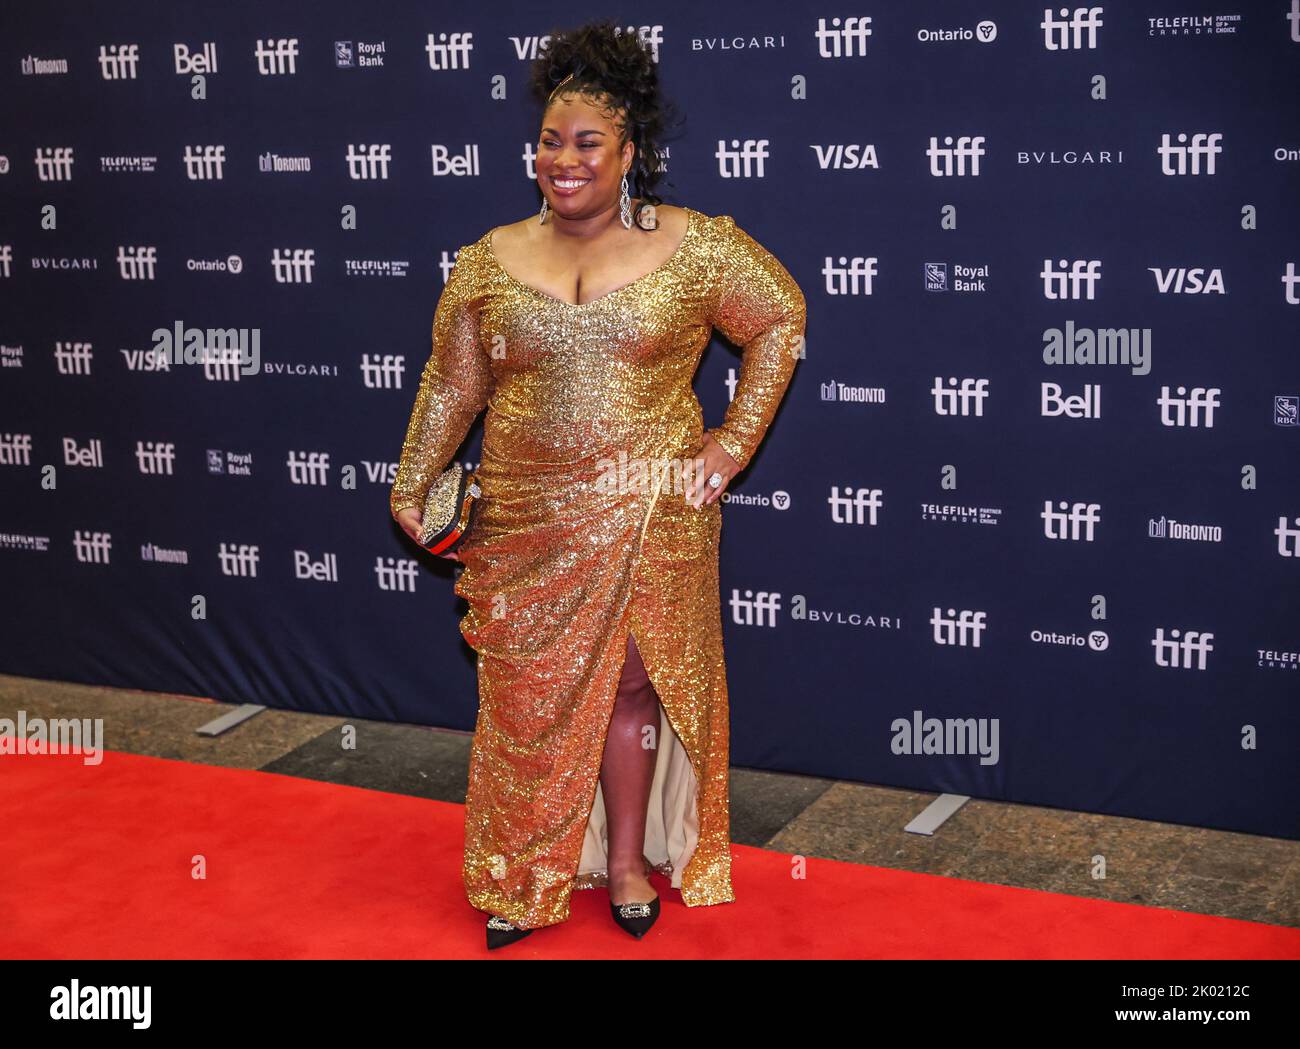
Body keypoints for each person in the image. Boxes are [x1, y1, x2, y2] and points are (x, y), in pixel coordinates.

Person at [390, 19, 806, 950]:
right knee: (522, 695)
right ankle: (520, 873)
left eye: (587, 144)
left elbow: (780, 317)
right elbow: (453, 383)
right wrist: (413, 484)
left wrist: (729, 447)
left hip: (648, 507)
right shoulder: (486, 261)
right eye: (549, 141)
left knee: (629, 694)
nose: (563, 161)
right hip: (524, 512)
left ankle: (624, 863)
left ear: (631, 153)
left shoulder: (695, 247)